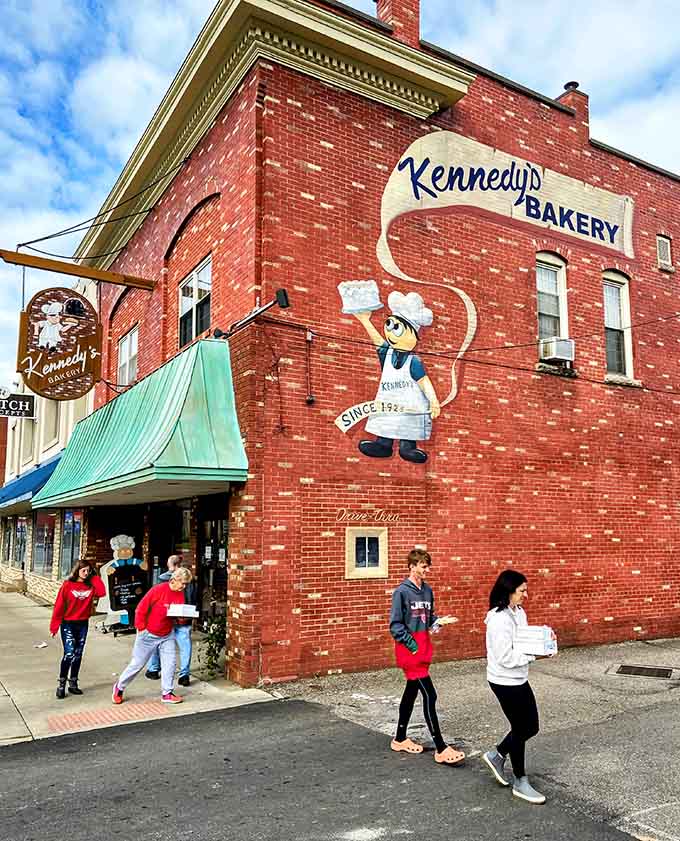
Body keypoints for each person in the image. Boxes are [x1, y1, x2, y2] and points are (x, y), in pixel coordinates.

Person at [389, 548, 465, 765]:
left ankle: (400, 738)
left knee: (411, 692)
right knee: (430, 696)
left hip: (424, 649)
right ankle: (441, 748)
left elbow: (429, 618)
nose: (427, 570)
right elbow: (395, 626)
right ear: (412, 566)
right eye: (423, 566)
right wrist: (412, 645)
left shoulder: (427, 591)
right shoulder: (401, 592)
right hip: (410, 651)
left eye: (428, 566)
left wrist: (438, 622)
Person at [482, 570, 548, 805]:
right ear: (508, 591)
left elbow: (523, 641)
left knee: (531, 726)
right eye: (521, 591)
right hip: (503, 680)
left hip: (519, 678)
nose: (525, 595)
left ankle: (497, 754)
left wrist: (543, 642)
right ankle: (520, 781)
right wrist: (534, 657)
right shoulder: (499, 619)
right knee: (521, 728)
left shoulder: (519, 613)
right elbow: (505, 657)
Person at [112, 566, 193, 705]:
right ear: (174, 580)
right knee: (137, 664)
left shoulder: (180, 594)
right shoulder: (158, 590)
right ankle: (119, 687)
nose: (184, 586)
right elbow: (141, 609)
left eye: (186, 584)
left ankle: (167, 693)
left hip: (167, 633)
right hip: (148, 633)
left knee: (170, 663)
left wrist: (182, 618)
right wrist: (141, 628)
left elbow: (175, 614)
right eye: (183, 583)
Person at [50, 561, 106, 699]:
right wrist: (54, 626)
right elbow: (59, 605)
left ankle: (73, 683)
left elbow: (102, 592)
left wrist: (94, 577)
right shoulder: (67, 586)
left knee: (78, 654)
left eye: (88, 571)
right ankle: (61, 684)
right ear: (77, 571)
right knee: (69, 653)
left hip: (82, 624)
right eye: (84, 571)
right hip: (68, 623)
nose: (86, 573)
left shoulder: (90, 585)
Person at [145, 555, 197, 686]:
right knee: (185, 646)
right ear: (179, 565)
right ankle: (184, 675)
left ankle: (153, 669)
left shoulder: (161, 579)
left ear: (170, 565)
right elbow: (192, 598)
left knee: (157, 643)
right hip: (183, 618)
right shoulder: (189, 580)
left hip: (165, 619)